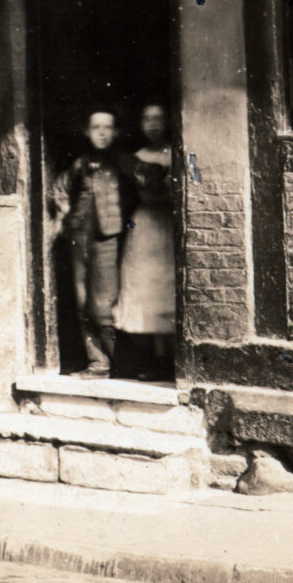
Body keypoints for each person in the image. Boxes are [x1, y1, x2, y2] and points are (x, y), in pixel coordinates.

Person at [52, 109, 133, 376]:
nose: (101, 132)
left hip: (107, 240)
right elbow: (60, 188)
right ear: (87, 132)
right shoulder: (81, 163)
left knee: (104, 305)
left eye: (107, 127)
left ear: (116, 132)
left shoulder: (124, 162)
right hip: (79, 240)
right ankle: (98, 363)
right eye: (95, 127)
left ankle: (121, 363)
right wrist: (63, 214)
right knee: (82, 301)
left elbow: (152, 180)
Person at [115, 101, 178, 380]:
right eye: (147, 119)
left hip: (169, 223)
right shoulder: (136, 157)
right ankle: (151, 359)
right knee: (145, 288)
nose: (153, 124)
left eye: (159, 118)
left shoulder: (176, 153)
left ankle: (172, 359)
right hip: (146, 226)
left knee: (169, 287)